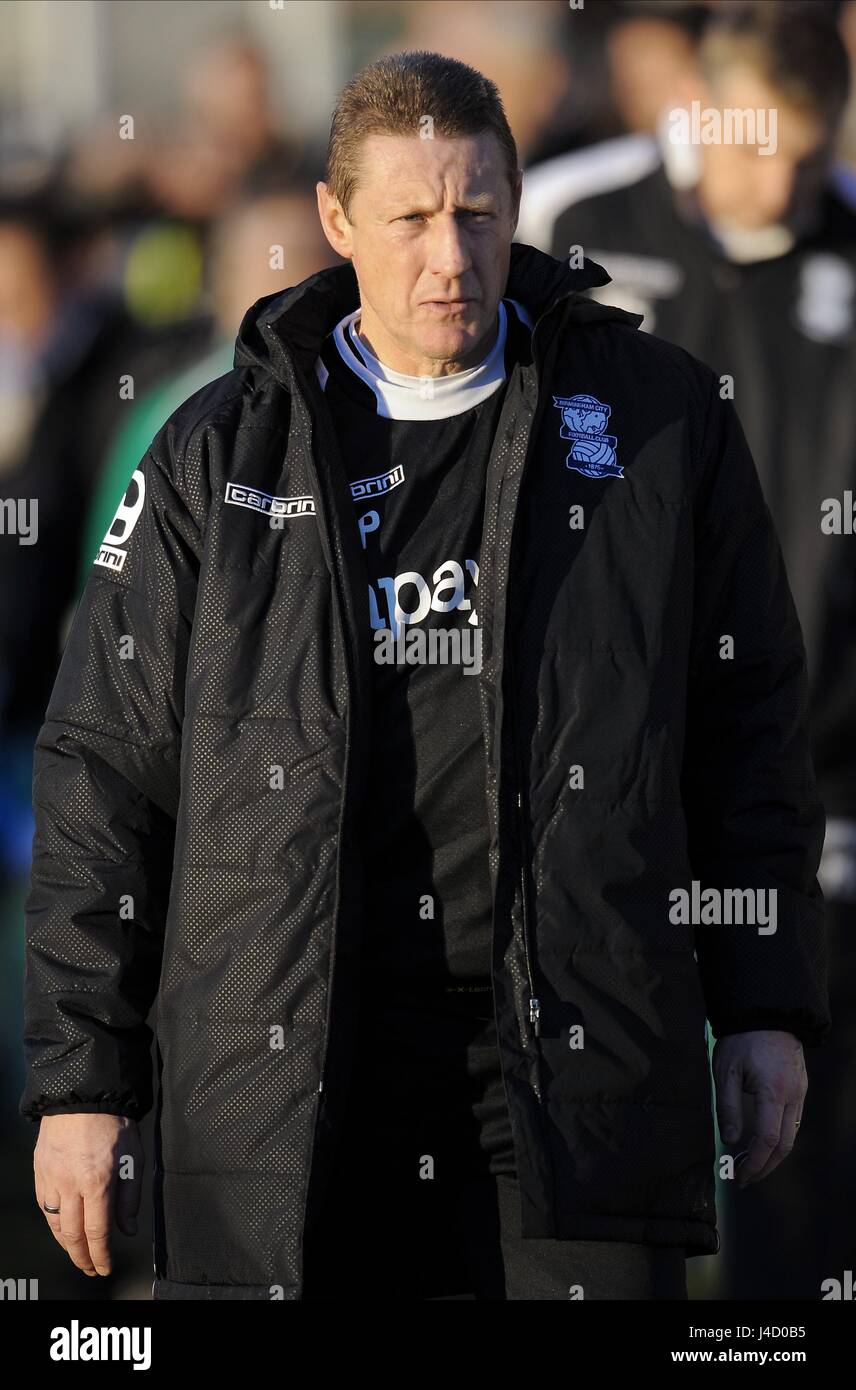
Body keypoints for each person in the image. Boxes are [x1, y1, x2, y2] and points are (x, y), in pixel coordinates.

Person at [21, 49, 828, 1302]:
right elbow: (104, 769)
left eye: (478, 213)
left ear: (517, 207)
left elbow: (746, 726)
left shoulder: (658, 421)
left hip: (578, 1059)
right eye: (408, 217)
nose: (449, 257)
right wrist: (83, 1081)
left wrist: (765, 1003)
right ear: (337, 222)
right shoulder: (215, 453)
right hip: (291, 1066)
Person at [523, 5, 856, 1297]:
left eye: (805, 152)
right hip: (608, 768)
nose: (774, 184)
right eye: (753, 147)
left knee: (800, 1158)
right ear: (701, 111)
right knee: (612, 1160)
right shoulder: (565, 221)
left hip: (810, 767)